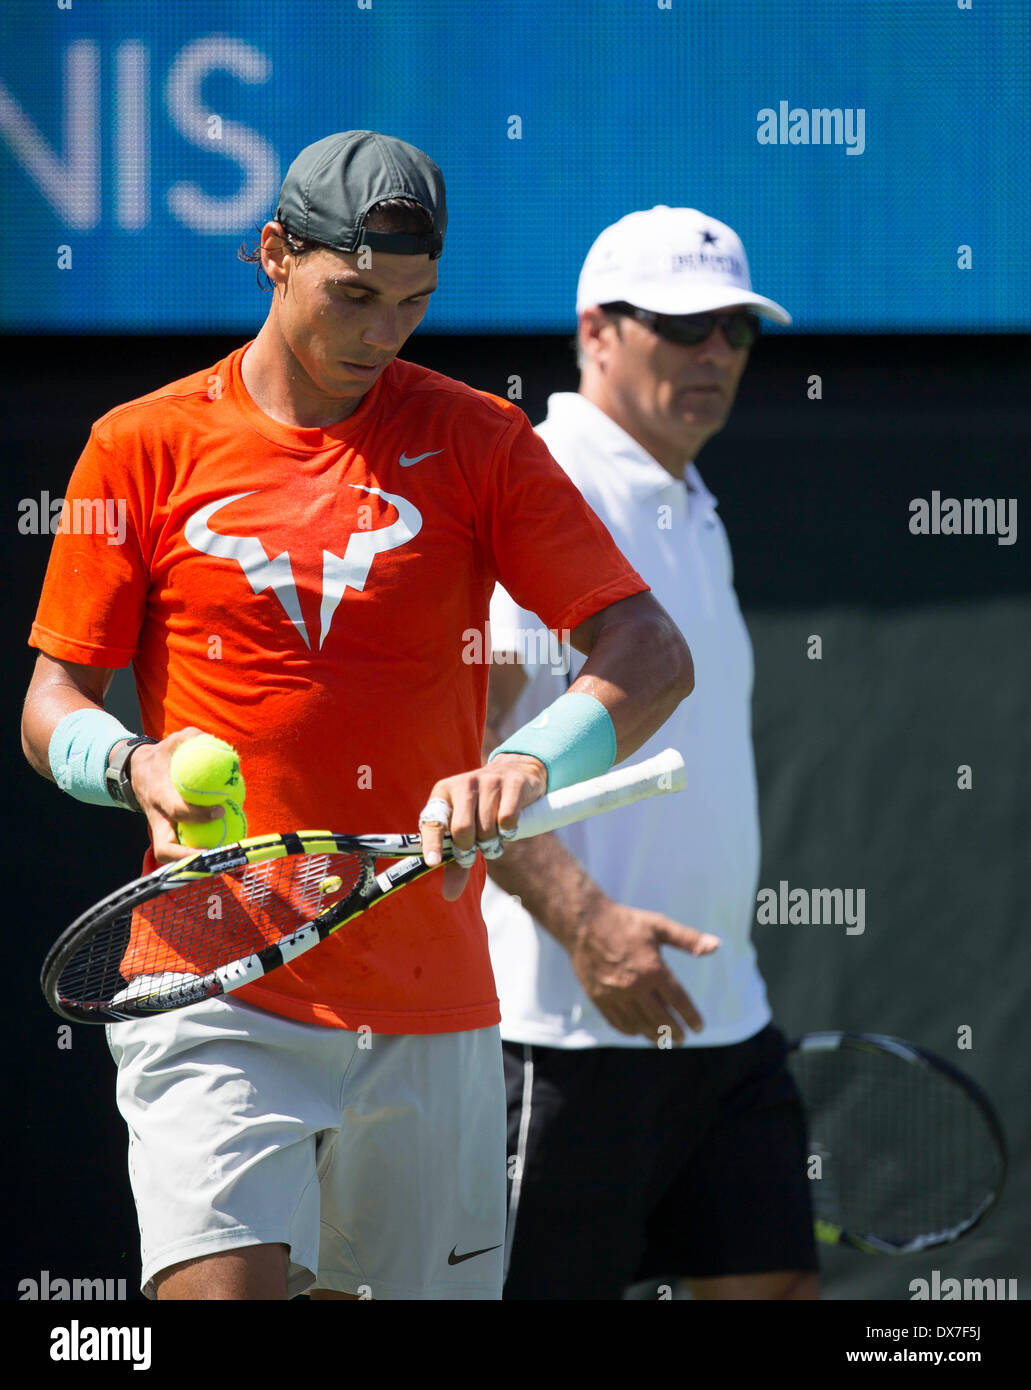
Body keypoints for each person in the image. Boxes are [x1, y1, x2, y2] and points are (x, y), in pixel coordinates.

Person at [21, 136, 696, 1302]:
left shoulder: (483, 439)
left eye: (412, 305)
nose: (382, 335)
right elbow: (49, 706)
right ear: (275, 255)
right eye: (354, 297)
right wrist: (132, 763)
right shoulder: (137, 444)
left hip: (429, 1004)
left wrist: (524, 764)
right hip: (210, 981)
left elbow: (646, 651)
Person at [482, 206, 820, 1300]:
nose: (714, 352)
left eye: (734, 329)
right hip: (559, 1036)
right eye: (682, 326)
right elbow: (466, 746)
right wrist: (588, 925)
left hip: (724, 1027)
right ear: (596, 333)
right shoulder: (540, 480)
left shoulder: (691, 501)